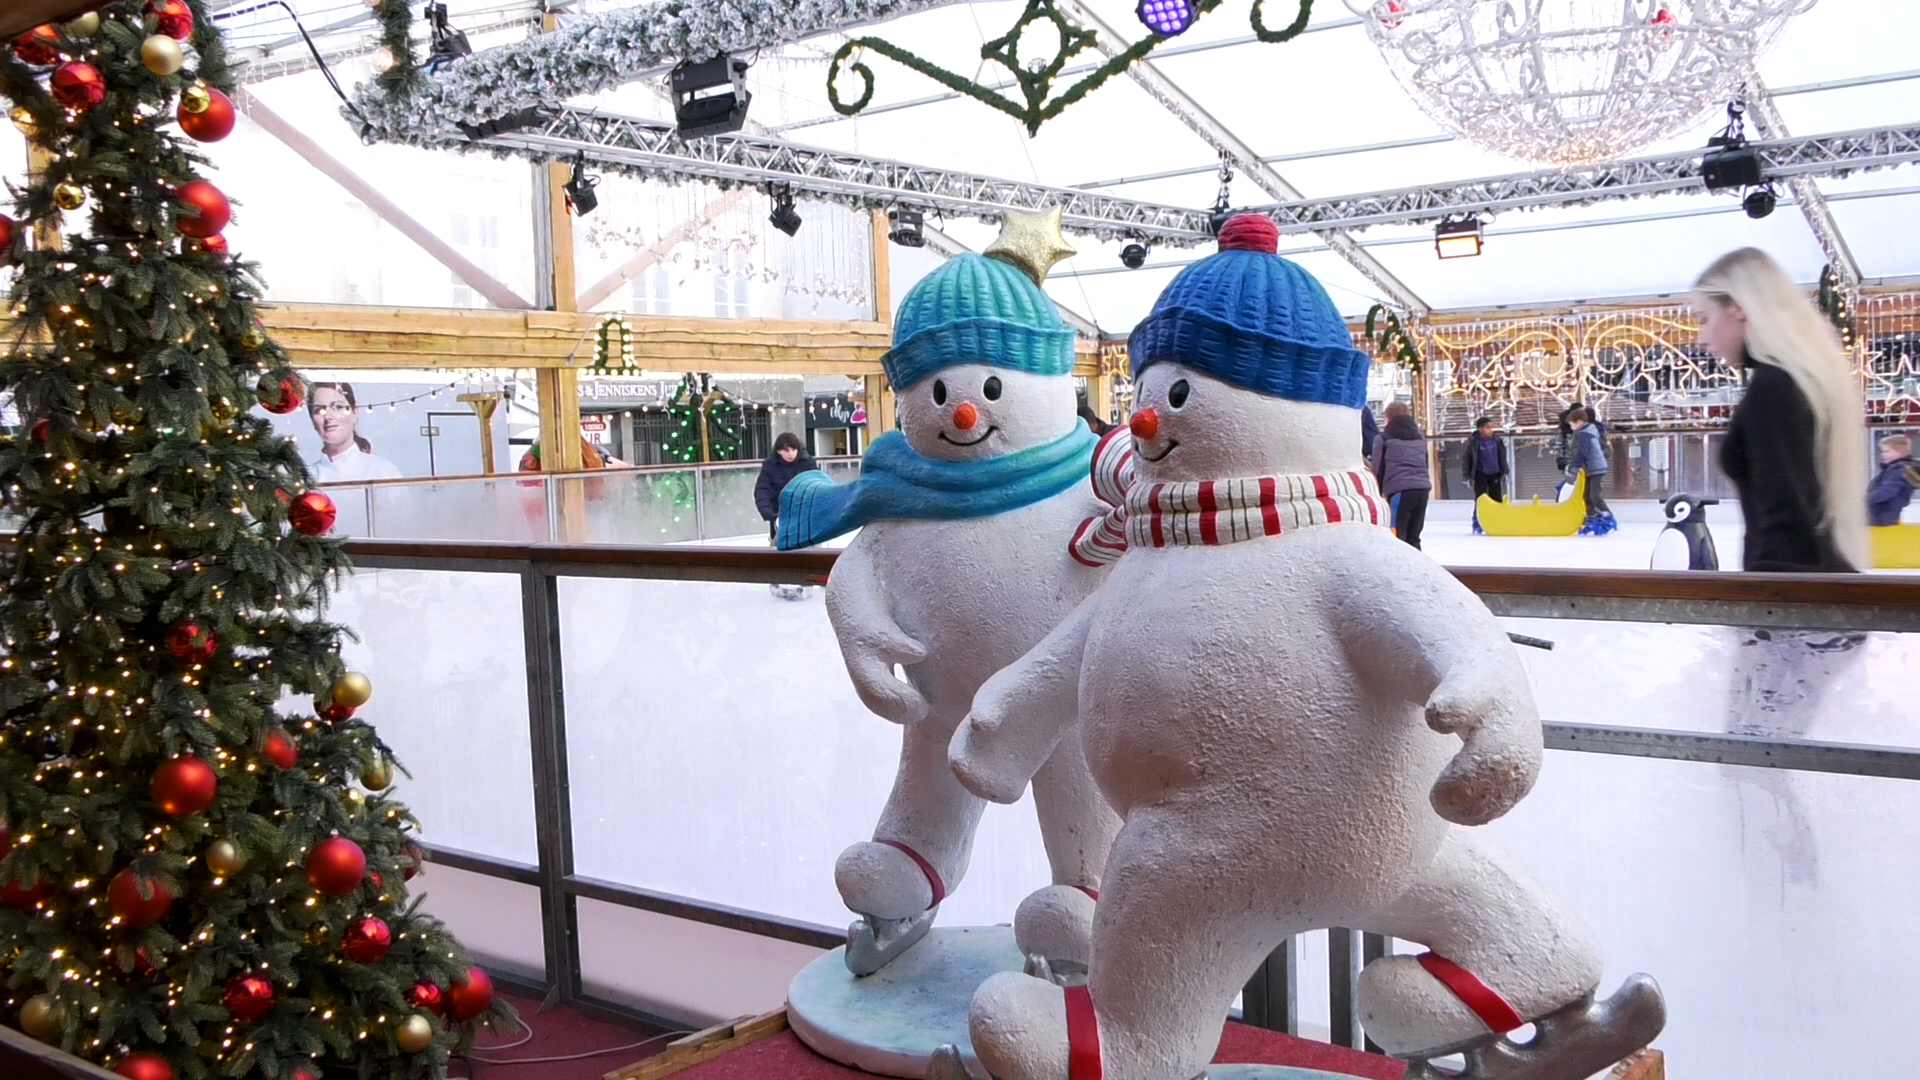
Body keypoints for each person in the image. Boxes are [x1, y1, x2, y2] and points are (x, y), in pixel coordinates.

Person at [1695, 247, 1869, 572]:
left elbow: (1785, 513)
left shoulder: (1774, 386)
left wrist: (1770, 607)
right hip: (1812, 586)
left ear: (1737, 308)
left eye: (1705, 319)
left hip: (1794, 591)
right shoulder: (1799, 380)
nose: (1702, 338)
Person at [307, 383, 402, 482]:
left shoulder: (383, 472)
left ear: (355, 412)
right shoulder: (304, 479)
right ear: (312, 419)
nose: (328, 417)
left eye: (338, 407)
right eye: (318, 410)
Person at [1371, 404, 1431, 549]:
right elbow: (1425, 465)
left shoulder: (1383, 439)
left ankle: (1399, 570)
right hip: (1422, 490)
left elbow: (1377, 468)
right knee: (1414, 536)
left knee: (1397, 536)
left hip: (1400, 491)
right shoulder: (1420, 440)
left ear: (1389, 418)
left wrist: (1376, 493)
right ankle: (1419, 569)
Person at [754, 431, 819, 543]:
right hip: (779, 516)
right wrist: (769, 513)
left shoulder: (808, 464)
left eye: (793, 450)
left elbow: (818, 487)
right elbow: (762, 490)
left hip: (806, 516)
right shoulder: (770, 466)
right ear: (779, 451)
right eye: (786, 450)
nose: (790, 454)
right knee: (780, 548)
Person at [1564, 406, 1614, 535]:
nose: (1571, 428)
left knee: (1595, 496)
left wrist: (1575, 468)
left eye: (1571, 424)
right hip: (1591, 468)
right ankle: (1591, 519)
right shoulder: (1586, 431)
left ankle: (1609, 518)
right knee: (1586, 495)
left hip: (1596, 467)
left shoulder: (1585, 433)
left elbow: (1583, 452)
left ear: (1579, 422)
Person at [1868, 433, 1918, 527]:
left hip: (1881, 517)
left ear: (1900, 452)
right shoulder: (1893, 470)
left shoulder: (1899, 471)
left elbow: (1885, 492)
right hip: (1881, 515)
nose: (1883, 455)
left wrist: (1861, 501)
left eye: (1886, 451)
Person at [1461, 415, 1509, 502]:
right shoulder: (1474, 442)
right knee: (1481, 498)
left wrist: (1505, 472)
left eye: (1491, 427)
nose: (1490, 430)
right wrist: (1466, 476)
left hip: (1495, 473)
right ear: (1480, 429)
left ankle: (1496, 515)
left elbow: (1502, 457)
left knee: (1496, 498)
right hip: (1481, 474)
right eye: (1487, 428)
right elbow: (1466, 459)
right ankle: (1478, 515)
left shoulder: (1497, 441)